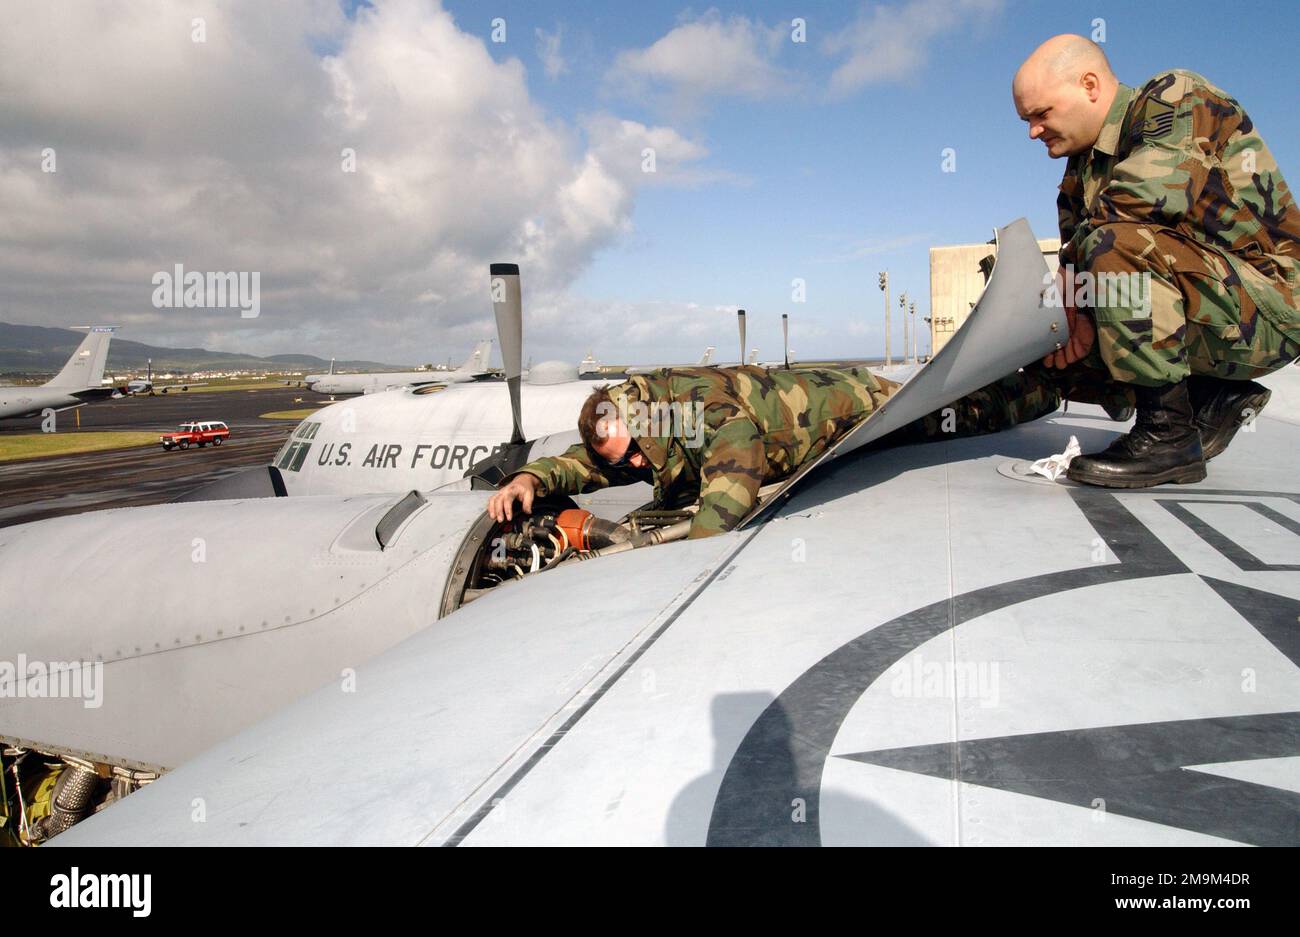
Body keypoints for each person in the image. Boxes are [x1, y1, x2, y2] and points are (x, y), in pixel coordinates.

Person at [1013, 35, 1299, 487]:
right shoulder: (1080, 173)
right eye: (1026, 119)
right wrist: (1071, 314)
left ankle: (1166, 436)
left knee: (1113, 243)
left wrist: (1074, 282)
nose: (1032, 131)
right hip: (1209, 305)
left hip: (1273, 307)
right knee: (1054, 344)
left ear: (1090, 85)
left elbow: (1140, 203)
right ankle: (1210, 396)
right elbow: (1077, 263)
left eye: (1041, 114)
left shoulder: (1175, 96)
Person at [487, 365, 1062, 539]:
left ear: (643, 419)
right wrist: (531, 480)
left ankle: (1061, 384)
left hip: (851, 409)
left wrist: (702, 542)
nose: (635, 466)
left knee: (969, 414)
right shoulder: (629, 430)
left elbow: (736, 447)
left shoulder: (684, 403)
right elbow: (586, 462)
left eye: (636, 451)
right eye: (624, 461)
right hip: (820, 417)